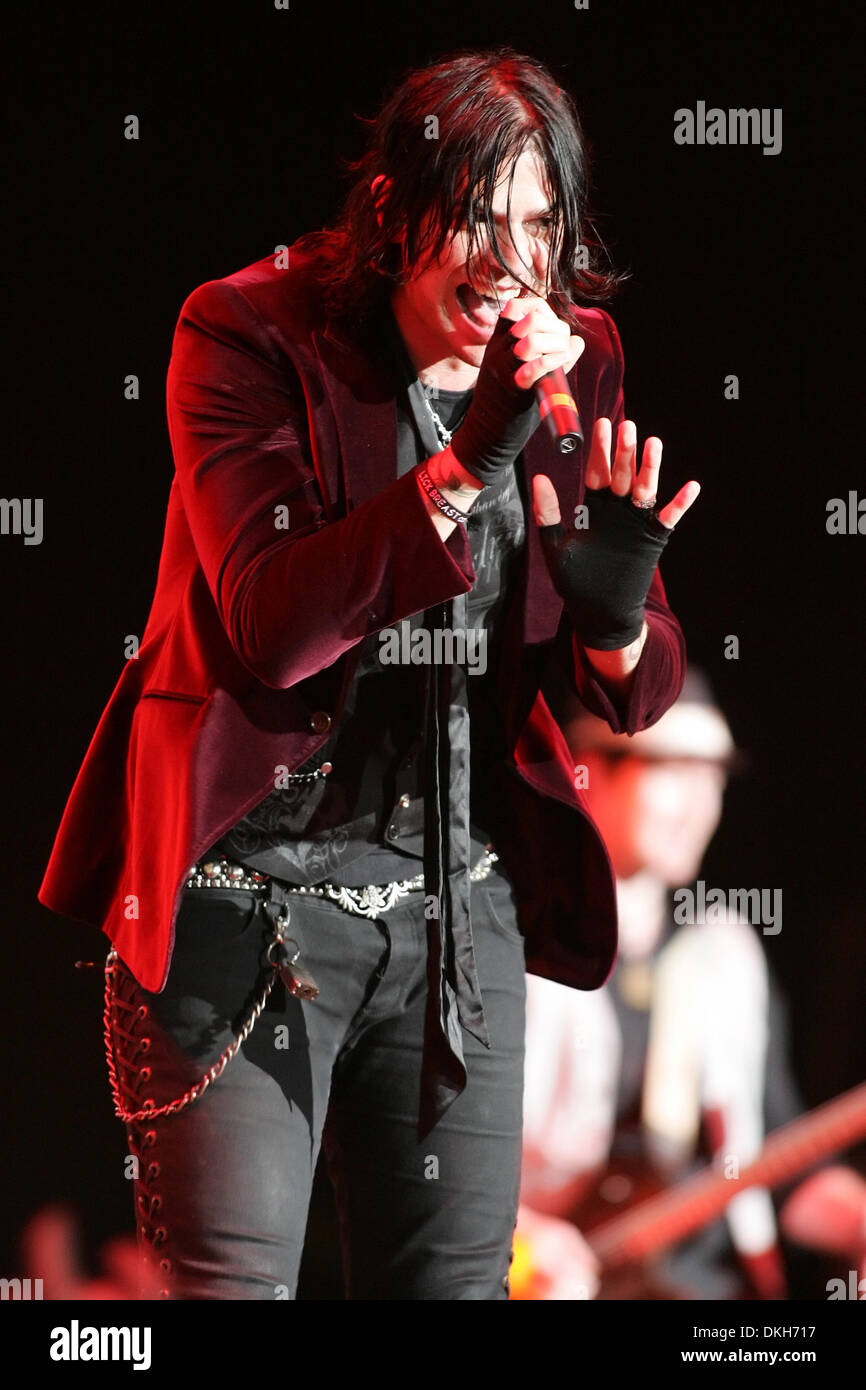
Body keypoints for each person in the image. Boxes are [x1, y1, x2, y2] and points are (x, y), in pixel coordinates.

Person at [37, 48, 697, 1300]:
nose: (513, 264)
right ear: (395, 217)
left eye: (540, 225)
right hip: (247, 906)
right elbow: (276, 626)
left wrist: (611, 615)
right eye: (478, 219)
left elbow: (638, 682)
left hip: (457, 916)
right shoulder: (246, 333)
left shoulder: (578, 356)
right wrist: (466, 460)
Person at [514, 670, 866, 1299]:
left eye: (715, 777)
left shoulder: (724, 953)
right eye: (675, 771)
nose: (702, 805)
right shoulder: (514, 946)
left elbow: (780, 1163)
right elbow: (424, 1167)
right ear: (588, 772)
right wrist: (523, 1243)